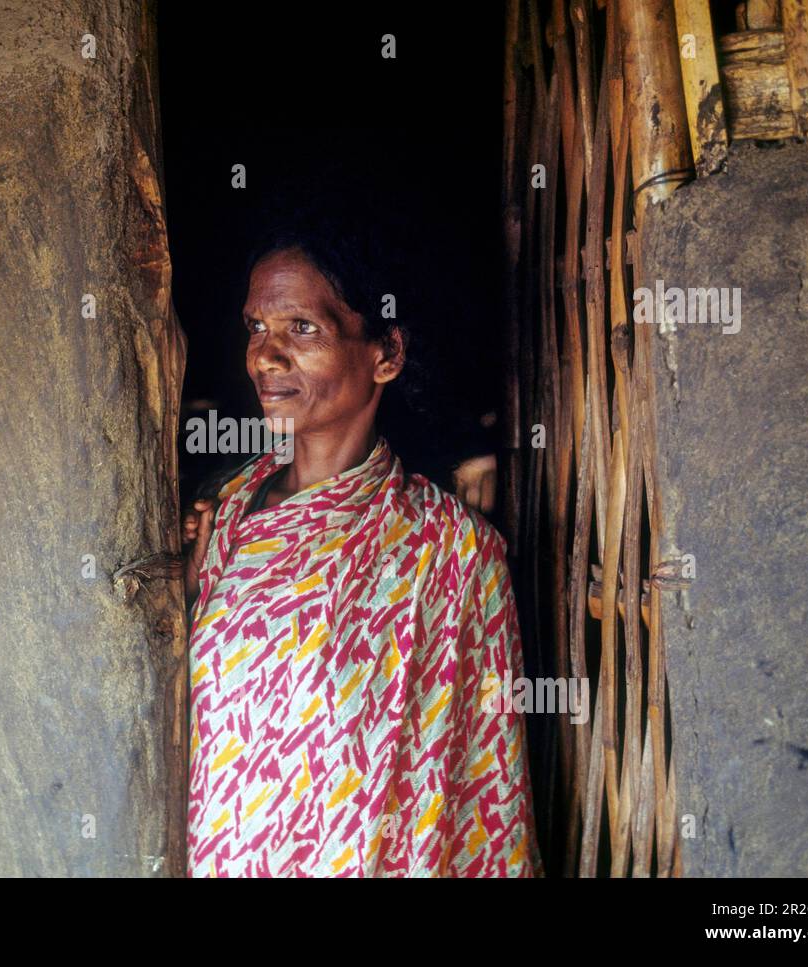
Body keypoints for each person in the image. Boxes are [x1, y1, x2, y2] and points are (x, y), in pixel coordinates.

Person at [181, 216, 543, 877]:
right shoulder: (222, 517)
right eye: (256, 327)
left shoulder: (452, 556)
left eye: (302, 328)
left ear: (386, 354)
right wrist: (180, 597)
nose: (266, 353)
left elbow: (486, 788)